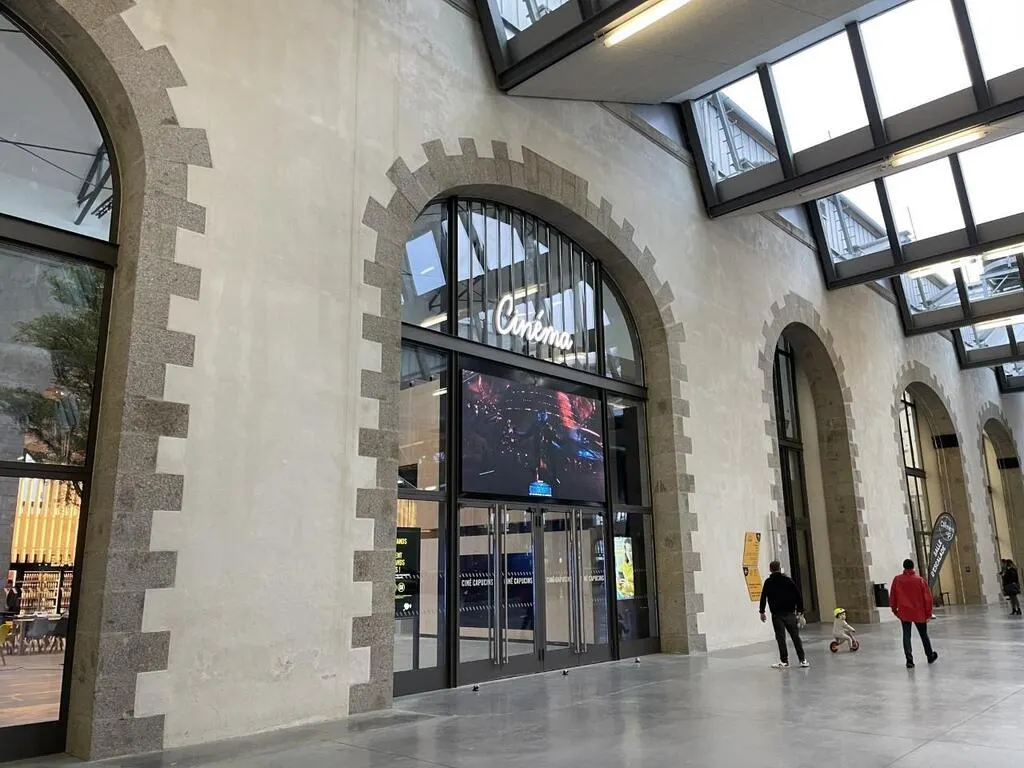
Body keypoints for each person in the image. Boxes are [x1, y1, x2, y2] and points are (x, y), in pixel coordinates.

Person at [758, 560, 809, 669]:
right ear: (779, 568)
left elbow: (763, 597)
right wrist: (800, 611)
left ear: (770, 569)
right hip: (790, 613)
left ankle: (784, 661)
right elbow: (798, 595)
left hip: (777, 614)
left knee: (781, 638)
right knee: (796, 637)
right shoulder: (788, 580)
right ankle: (803, 660)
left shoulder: (768, 582)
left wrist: (762, 611)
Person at [889, 558, 938, 668]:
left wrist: (894, 609)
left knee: (906, 636)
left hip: (904, 612)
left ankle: (909, 660)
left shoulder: (897, 580)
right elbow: (927, 598)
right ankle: (930, 655)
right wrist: (928, 613)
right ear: (913, 567)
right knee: (924, 635)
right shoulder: (919, 580)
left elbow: (893, 595)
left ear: (904, 567)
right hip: (918, 612)